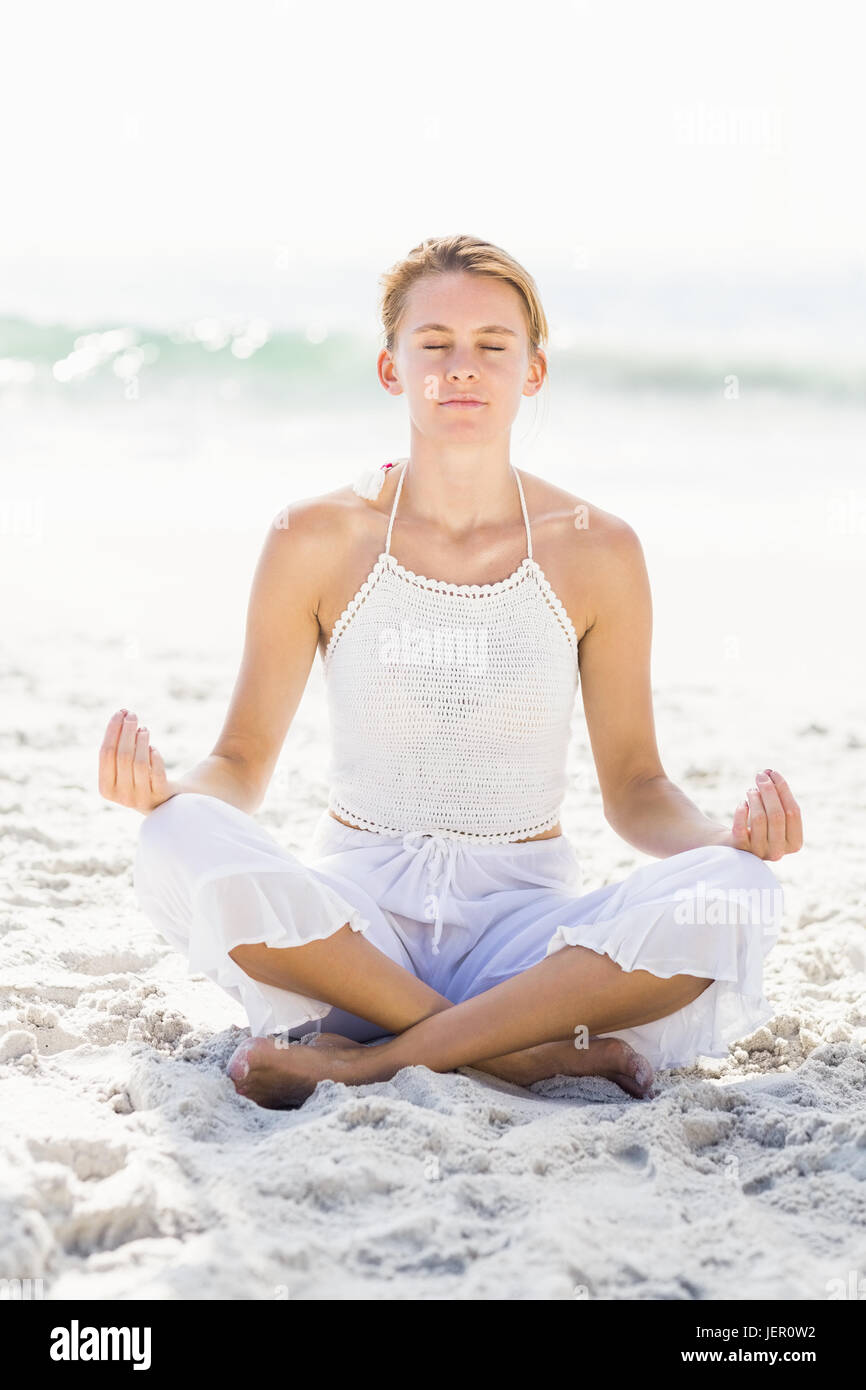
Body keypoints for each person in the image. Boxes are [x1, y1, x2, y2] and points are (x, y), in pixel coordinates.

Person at [100, 234, 804, 1110]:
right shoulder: (315, 536)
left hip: (523, 931)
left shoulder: (600, 549)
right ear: (393, 368)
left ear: (533, 371)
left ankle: (367, 1056)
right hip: (357, 928)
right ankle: (514, 1051)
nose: (461, 367)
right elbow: (240, 764)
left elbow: (636, 787)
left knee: (737, 893)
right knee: (172, 837)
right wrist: (171, 790)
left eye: (491, 346)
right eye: (434, 344)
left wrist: (723, 840)